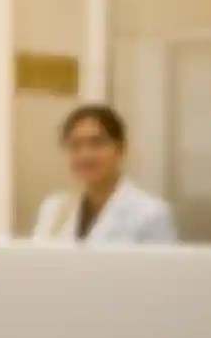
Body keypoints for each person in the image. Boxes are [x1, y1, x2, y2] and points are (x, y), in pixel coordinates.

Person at [33, 104, 177, 244]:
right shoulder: (53, 209)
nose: (85, 155)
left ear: (120, 148)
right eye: (75, 145)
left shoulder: (151, 214)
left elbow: (161, 268)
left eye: (96, 143)